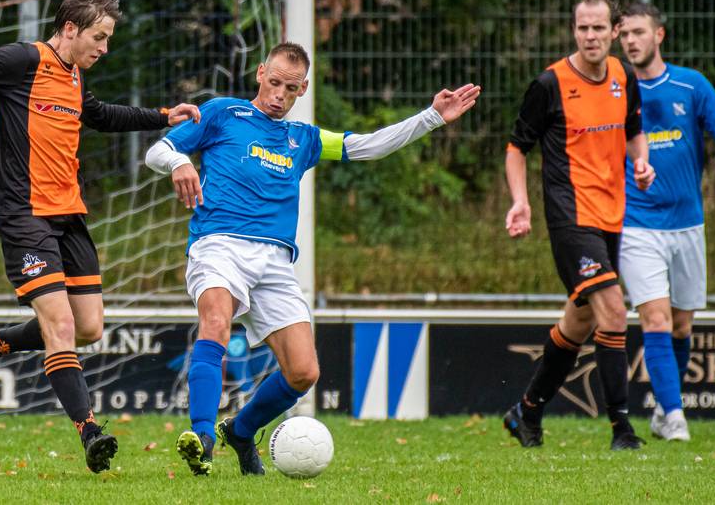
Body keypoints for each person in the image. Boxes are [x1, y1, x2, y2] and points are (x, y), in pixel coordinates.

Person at [146, 42, 480, 476]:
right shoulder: (222, 113)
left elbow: (369, 146)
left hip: (274, 261)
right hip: (219, 244)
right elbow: (158, 150)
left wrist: (433, 116)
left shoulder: (302, 139)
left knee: (304, 372)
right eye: (274, 82)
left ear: (302, 89)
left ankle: (241, 431)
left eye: (290, 87)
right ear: (260, 72)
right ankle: (203, 438)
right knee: (215, 322)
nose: (279, 94)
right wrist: (177, 163)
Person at [0, 0, 199, 473]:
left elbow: (98, 115)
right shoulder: (22, 60)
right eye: (99, 36)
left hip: (68, 213)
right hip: (22, 212)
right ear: (70, 28)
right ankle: (90, 431)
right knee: (60, 327)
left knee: (89, 327)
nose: (104, 47)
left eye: (109, 38)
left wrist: (163, 114)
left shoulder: (72, 77)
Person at [503, 0, 654, 451]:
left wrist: (642, 163)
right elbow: (516, 148)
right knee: (612, 307)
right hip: (570, 220)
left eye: (598, 28)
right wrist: (520, 202)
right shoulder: (550, 83)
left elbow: (634, 131)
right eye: (582, 27)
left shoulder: (622, 76)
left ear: (613, 32)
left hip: (612, 218)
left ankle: (526, 410)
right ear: (574, 30)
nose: (590, 36)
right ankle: (622, 429)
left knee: (578, 323)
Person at [617, 2, 715, 442]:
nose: (631, 41)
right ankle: (677, 417)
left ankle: (664, 408)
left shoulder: (691, 85)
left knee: (682, 325)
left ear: (659, 35)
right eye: (624, 34)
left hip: (688, 225)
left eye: (639, 32)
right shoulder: (615, 90)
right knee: (656, 320)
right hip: (637, 223)